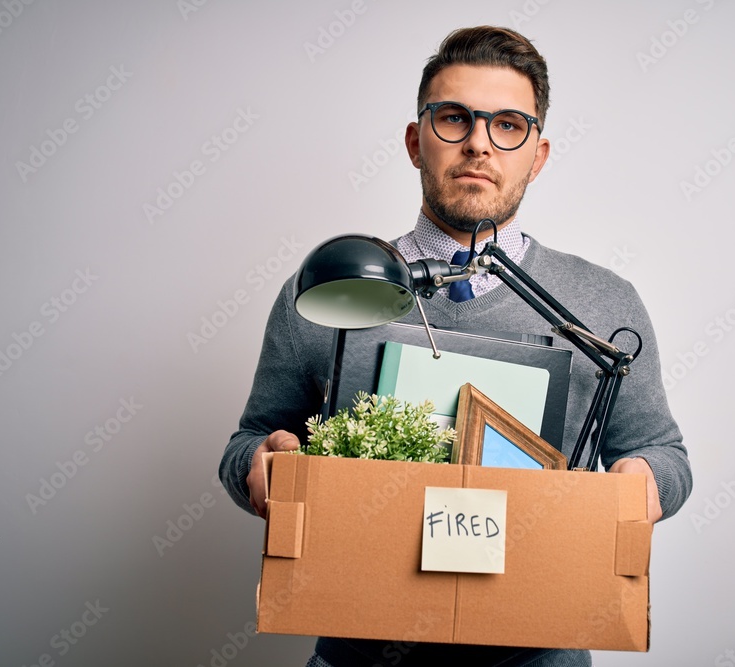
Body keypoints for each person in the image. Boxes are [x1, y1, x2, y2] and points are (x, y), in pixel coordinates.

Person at [220, 25, 692, 667]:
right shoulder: (335, 288)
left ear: (538, 156)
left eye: (508, 125)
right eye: (454, 118)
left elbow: (663, 452)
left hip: (539, 651)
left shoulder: (604, 302)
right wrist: (261, 464)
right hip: (360, 650)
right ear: (416, 141)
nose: (478, 143)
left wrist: (644, 480)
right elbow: (250, 441)